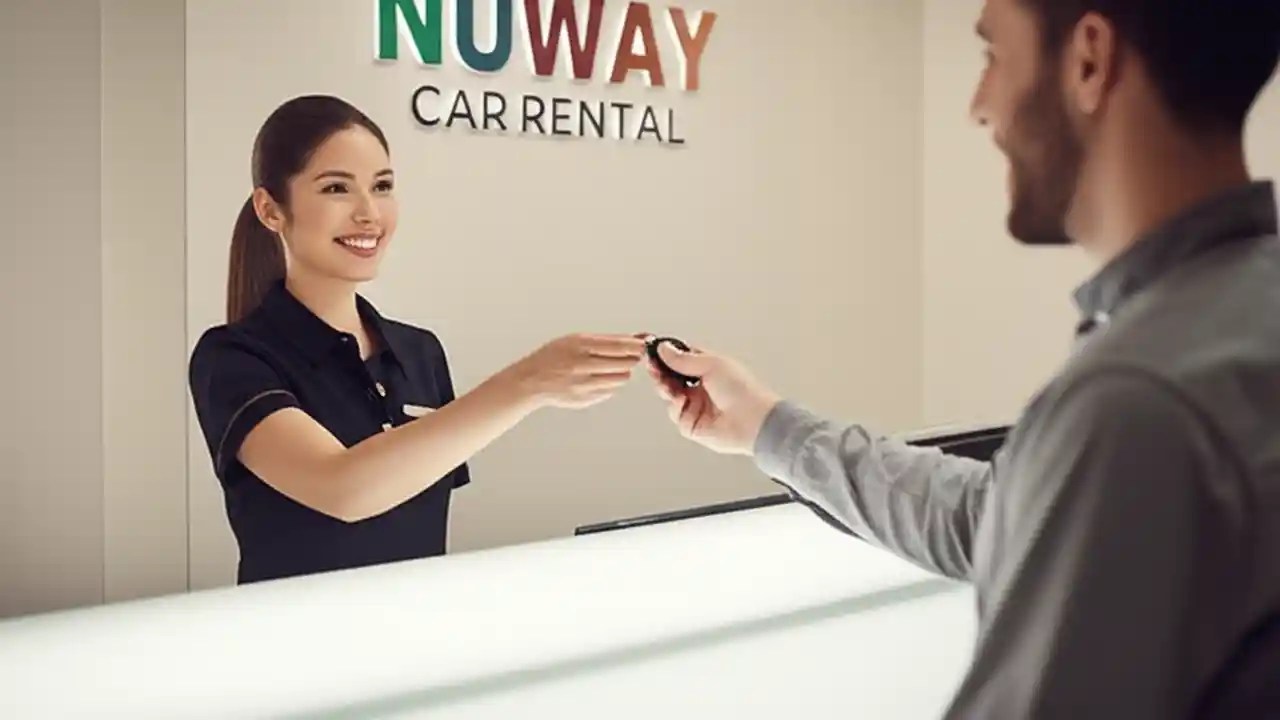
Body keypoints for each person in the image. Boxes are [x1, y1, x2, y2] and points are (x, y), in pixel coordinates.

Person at [644, 0, 1280, 717]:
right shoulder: (1240, 324)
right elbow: (1006, 521)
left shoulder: (1138, 403)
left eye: (991, 58)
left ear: (1089, 61)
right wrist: (768, 426)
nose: (979, 109)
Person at [189, 94, 645, 584]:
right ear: (270, 209)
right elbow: (343, 488)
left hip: (418, 643)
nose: (369, 213)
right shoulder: (233, 358)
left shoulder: (418, 353)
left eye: (382, 186)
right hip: (295, 649)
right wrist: (528, 383)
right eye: (337, 188)